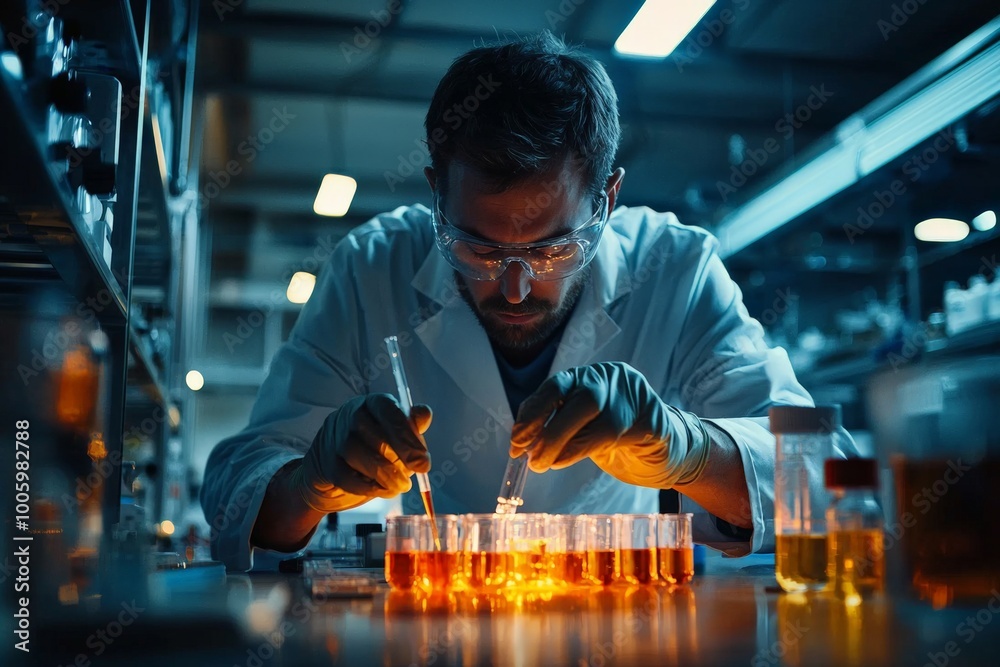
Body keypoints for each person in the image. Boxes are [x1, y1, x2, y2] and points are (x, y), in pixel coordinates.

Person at [201, 31, 855, 570]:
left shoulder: (675, 269)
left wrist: (683, 446)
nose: (513, 287)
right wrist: (311, 481)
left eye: (550, 251)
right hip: (444, 622)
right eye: (478, 249)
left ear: (606, 201)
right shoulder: (372, 270)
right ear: (436, 194)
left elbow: (830, 479)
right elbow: (235, 484)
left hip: (628, 624)